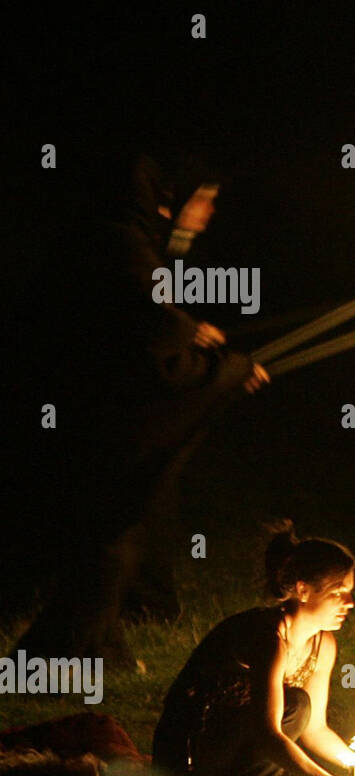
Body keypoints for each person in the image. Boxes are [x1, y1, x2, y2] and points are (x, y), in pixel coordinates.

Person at [13, 151, 269, 670]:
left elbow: (151, 316)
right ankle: (53, 660)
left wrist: (188, 330)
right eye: (203, 201)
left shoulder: (121, 241)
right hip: (91, 415)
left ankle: (100, 652)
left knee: (116, 532)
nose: (206, 214)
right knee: (109, 537)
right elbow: (152, 352)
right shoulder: (122, 244)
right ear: (167, 200)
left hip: (88, 411)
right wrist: (230, 371)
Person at [152, 523, 355, 776]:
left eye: (349, 591)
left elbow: (315, 729)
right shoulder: (268, 637)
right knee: (297, 704)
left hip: (234, 748)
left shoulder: (324, 645)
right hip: (187, 753)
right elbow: (268, 733)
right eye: (337, 593)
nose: (350, 603)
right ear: (303, 590)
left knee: (309, 768)